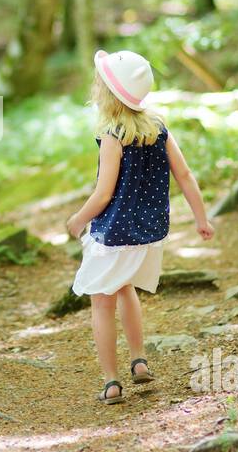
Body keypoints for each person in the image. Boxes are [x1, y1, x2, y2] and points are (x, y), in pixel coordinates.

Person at [65, 50, 216, 405]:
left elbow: (103, 194)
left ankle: (111, 381)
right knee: (125, 288)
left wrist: (78, 219)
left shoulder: (112, 136)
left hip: (114, 234)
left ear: (107, 94)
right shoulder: (158, 128)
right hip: (148, 233)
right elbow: (185, 175)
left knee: (101, 302)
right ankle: (139, 360)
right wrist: (201, 219)